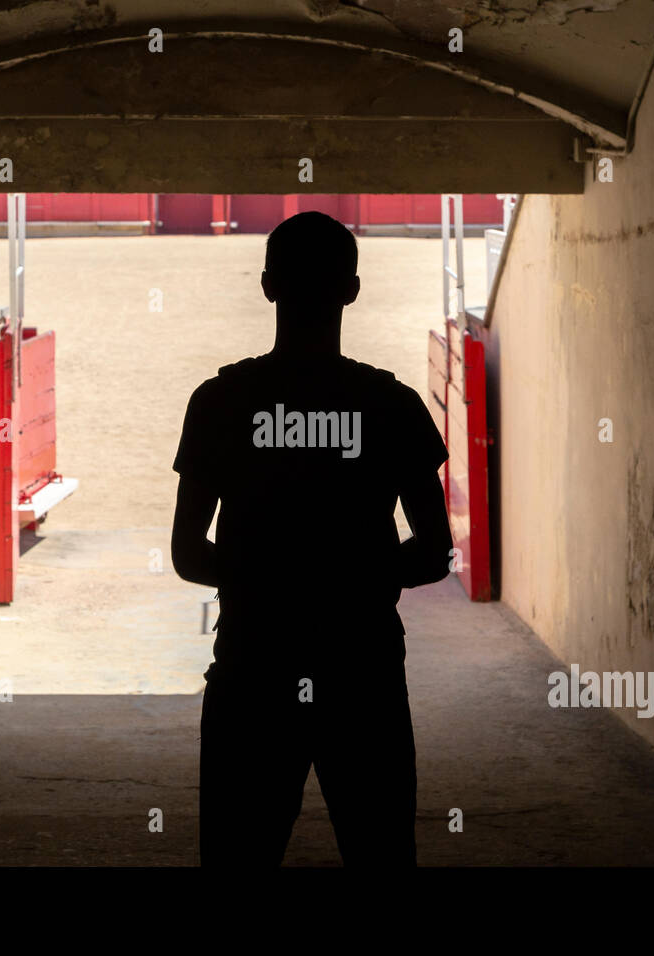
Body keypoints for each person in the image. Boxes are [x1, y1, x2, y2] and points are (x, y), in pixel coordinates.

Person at [170, 211, 453, 866]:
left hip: (253, 667)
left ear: (268, 286)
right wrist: (357, 583)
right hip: (364, 670)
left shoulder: (220, 403)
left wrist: (269, 584)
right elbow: (434, 551)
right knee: (382, 854)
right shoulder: (391, 405)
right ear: (351, 290)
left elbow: (189, 553)